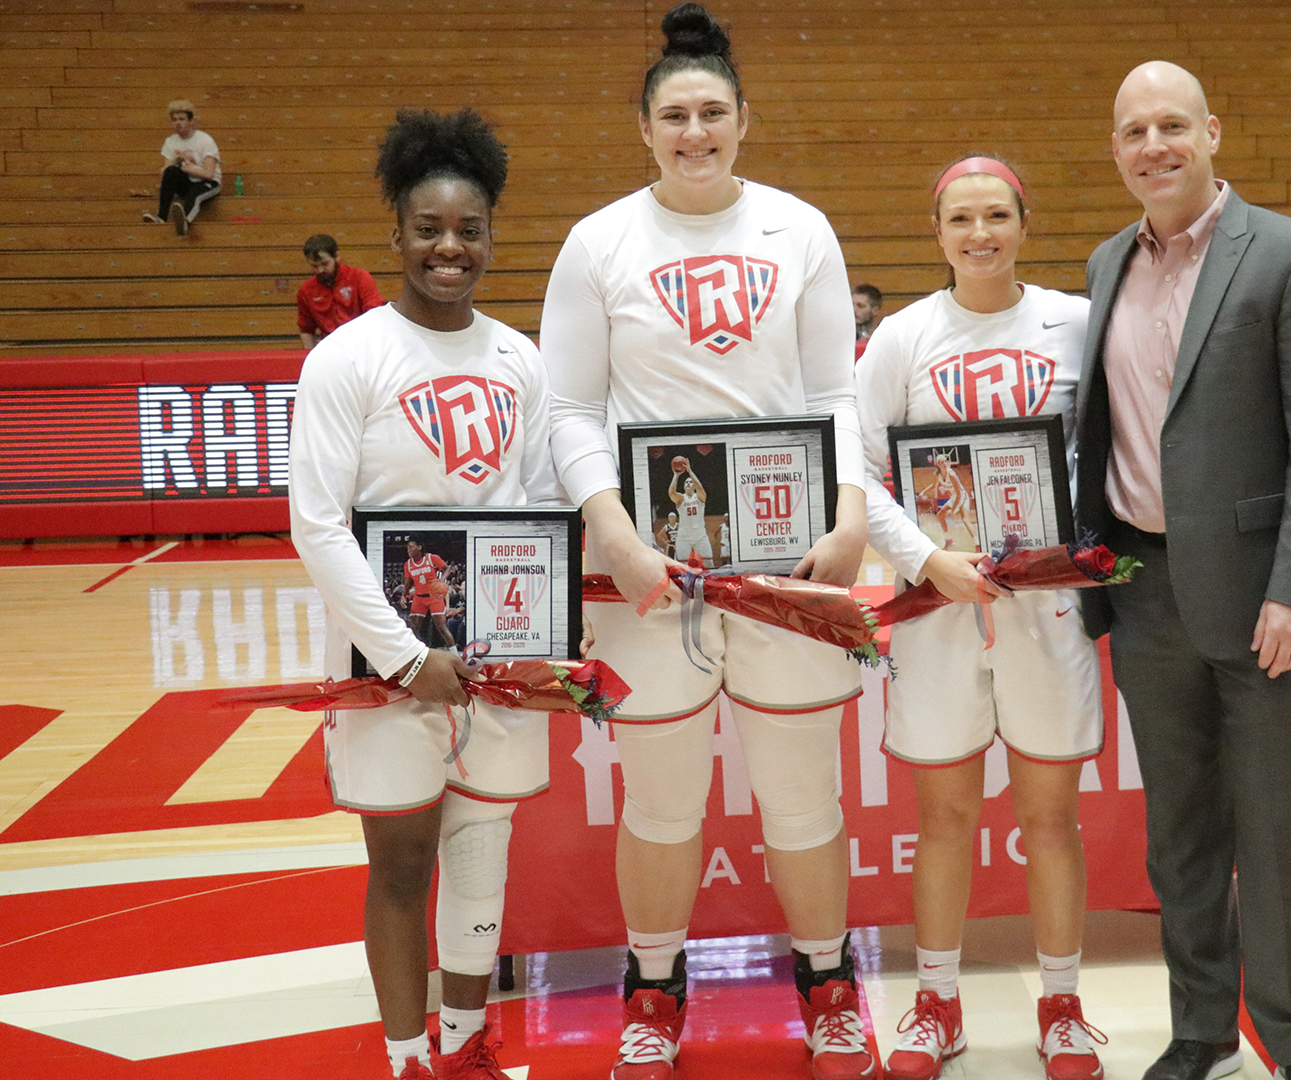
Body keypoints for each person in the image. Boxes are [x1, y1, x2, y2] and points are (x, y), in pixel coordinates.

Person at [539, 7, 875, 1080]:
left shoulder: (800, 228)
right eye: (675, 115)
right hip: (651, 573)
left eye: (713, 113)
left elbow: (834, 390)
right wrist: (618, 539)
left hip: (785, 566)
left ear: (745, 121)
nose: (695, 132)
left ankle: (826, 985)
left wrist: (854, 506)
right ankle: (653, 991)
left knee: (800, 794)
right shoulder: (598, 242)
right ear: (643, 128)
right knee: (663, 798)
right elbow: (569, 412)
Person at [1073, 62, 1291, 1080]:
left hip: (1262, 598)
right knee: (1180, 836)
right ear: (1115, 150)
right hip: (1143, 590)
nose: (1153, 146)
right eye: (1133, 131)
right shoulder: (1108, 262)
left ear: (1212, 132)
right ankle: (1201, 1031)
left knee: (1280, 835)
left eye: (1171, 126)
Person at [288, 107, 561, 1080]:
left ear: (490, 234)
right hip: (390, 661)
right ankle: (408, 1060)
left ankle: (467, 1049)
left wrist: (539, 635)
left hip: (493, 656)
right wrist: (407, 656)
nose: (451, 247)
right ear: (397, 235)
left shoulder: (521, 359)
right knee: (402, 865)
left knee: (482, 856)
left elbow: (536, 507)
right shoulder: (347, 359)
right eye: (430, 229)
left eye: (469, 229)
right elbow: (316, 523)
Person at [855, 154, 1107, 1080]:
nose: (980, 235)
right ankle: (935, 1003)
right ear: (938, 233)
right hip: (937, 607)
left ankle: (1064, 1004)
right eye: (961, 220)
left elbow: (1105, 458)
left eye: (996, 216)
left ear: (1024, 222)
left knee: (1051, 818)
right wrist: (924, 559)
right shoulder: (903, 337)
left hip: (1047, 609)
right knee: (946, 815)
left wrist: (1069, 549)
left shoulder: (1078, 325)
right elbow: (863, 470)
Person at [139, 99, 220, 237]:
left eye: (182, 119)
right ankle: (161, 216)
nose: (178, 123)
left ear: (190, 121)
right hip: (187, 181)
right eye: (174, 120)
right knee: (171, 171)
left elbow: (209, 173)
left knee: (196, 194)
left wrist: (188, 169)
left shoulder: (204, 140)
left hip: (207, 182)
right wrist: (172, 167)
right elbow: (166, 169)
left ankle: (186, 221)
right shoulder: (171, 142)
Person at [298, 234, 387, 348]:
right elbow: (306, 329)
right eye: (314, 266)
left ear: (337, 256)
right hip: (329, 347)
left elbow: (374, 314)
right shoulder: (306, 290)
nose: (320, 270)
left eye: (325, 264)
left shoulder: (359, 277)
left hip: (362, 344)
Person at [404, 538, 457, 649]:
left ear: (419, 547)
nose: (408, 550)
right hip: (419, 598)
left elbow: (447, 569)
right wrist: (403, 596)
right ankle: (419, 652)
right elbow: (408, 582)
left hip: (434, 596)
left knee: (441, 627)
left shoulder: (431, 558)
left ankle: (455, 655)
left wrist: (442, 580)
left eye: (411, 547)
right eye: (407, 548)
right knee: (414, 626)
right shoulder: (408, 564)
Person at [667, 458, 716, 562]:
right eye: (686, 482)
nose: (688, 483)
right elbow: (671, 493)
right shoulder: (681, 498)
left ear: (694, 485)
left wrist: (690, 471)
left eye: (690, 482)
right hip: (684, 537)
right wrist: (676, 475)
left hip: (700, 536)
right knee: (683, 567)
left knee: (709, 564)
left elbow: (700, 487)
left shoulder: (700, 497)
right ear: (684, 487)